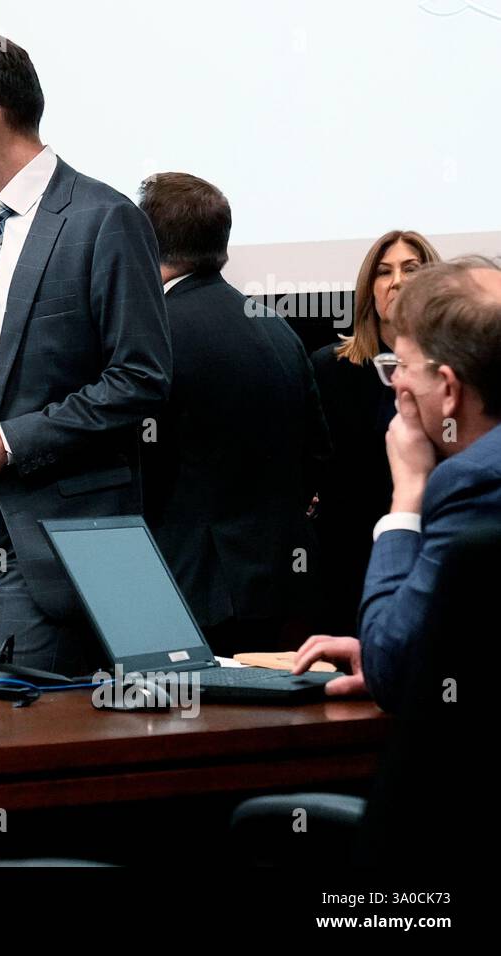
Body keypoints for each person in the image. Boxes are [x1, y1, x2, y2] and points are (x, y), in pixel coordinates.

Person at [0, 32, 172, 674]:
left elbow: (140, 377)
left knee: (16, 731)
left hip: (55, 535)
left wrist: (8, 443)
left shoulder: (105, 219)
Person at [293, 257, 501, 711]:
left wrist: (407, 493)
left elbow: (394, 668)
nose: (396, 382)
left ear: (447, 388)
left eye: (401, 366)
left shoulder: (471, 482)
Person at [137, 172, 330, 655]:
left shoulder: (153, 334)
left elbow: (141, 464)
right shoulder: (278, 329)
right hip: (277, 586)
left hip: (186, 585)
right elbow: (317, 457)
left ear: (144, 241)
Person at [310, 230, 440, 633]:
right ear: (370, 289)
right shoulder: (329, 368)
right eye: (384, 272)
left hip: (429, 545)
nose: (397, 280)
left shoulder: (453, 370)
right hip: (344, 554)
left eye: (411, 269)